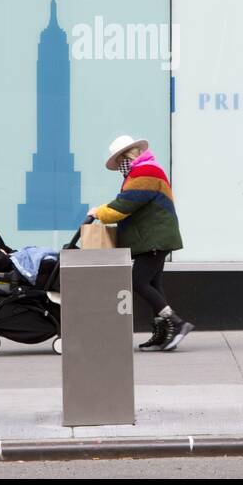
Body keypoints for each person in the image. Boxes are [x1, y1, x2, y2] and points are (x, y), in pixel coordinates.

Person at [84, 134, 194, 351]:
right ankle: (163, 334)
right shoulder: (142, 171)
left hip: (154, 239)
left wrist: (99, 212)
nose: (119, 167)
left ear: (128, 156)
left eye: (120, 161)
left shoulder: (146, 172)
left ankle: (177, 323)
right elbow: (128, 201)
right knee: (153, 284)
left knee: (138, 282)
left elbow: (124, 205)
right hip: (152, 239)